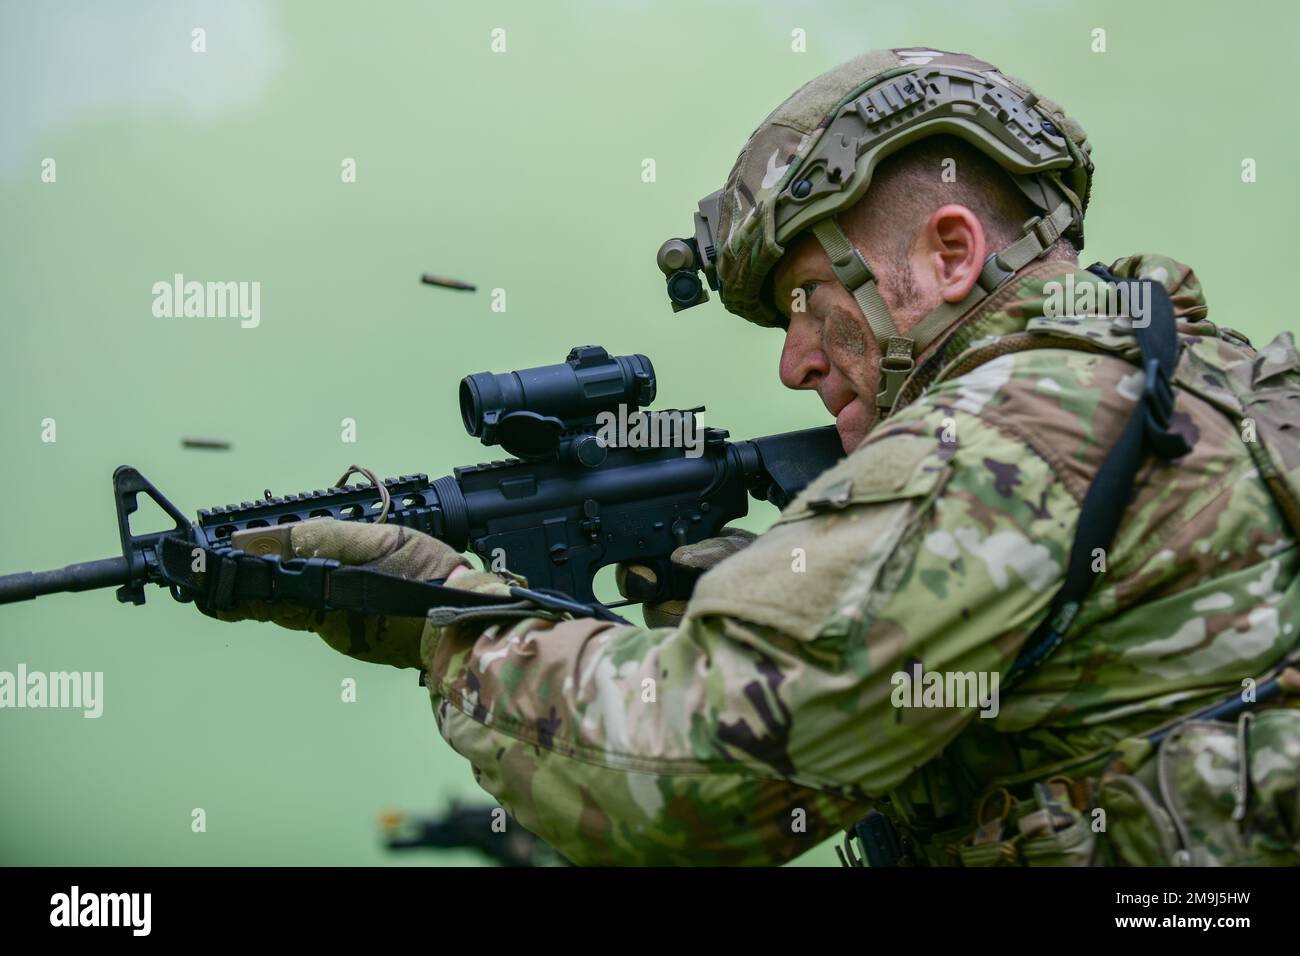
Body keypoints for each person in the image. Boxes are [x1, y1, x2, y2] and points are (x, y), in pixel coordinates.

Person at [208, 48, 1300, 866]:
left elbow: (689, 782)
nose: (793, 363)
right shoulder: (1194, 370)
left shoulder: (999, 436)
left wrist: (447, 618)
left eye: (808, 302)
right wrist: (747, 602)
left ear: (950, 252)